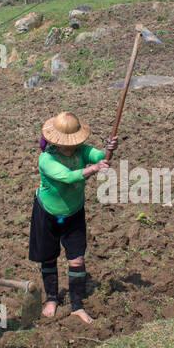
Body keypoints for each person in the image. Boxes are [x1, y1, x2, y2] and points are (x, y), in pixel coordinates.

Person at [30, 112, 114, 322]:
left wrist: (107, 150)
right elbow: (67, 177)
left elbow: (98, 156)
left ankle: (77, 305)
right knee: (49, 256)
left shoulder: (81, 150)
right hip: (48, 213)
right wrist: (94, 169)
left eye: (73, 143)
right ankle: (51, 298)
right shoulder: (46, 159)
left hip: (73, 213)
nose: (70, 147)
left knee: (76, 259)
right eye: (66, 144)